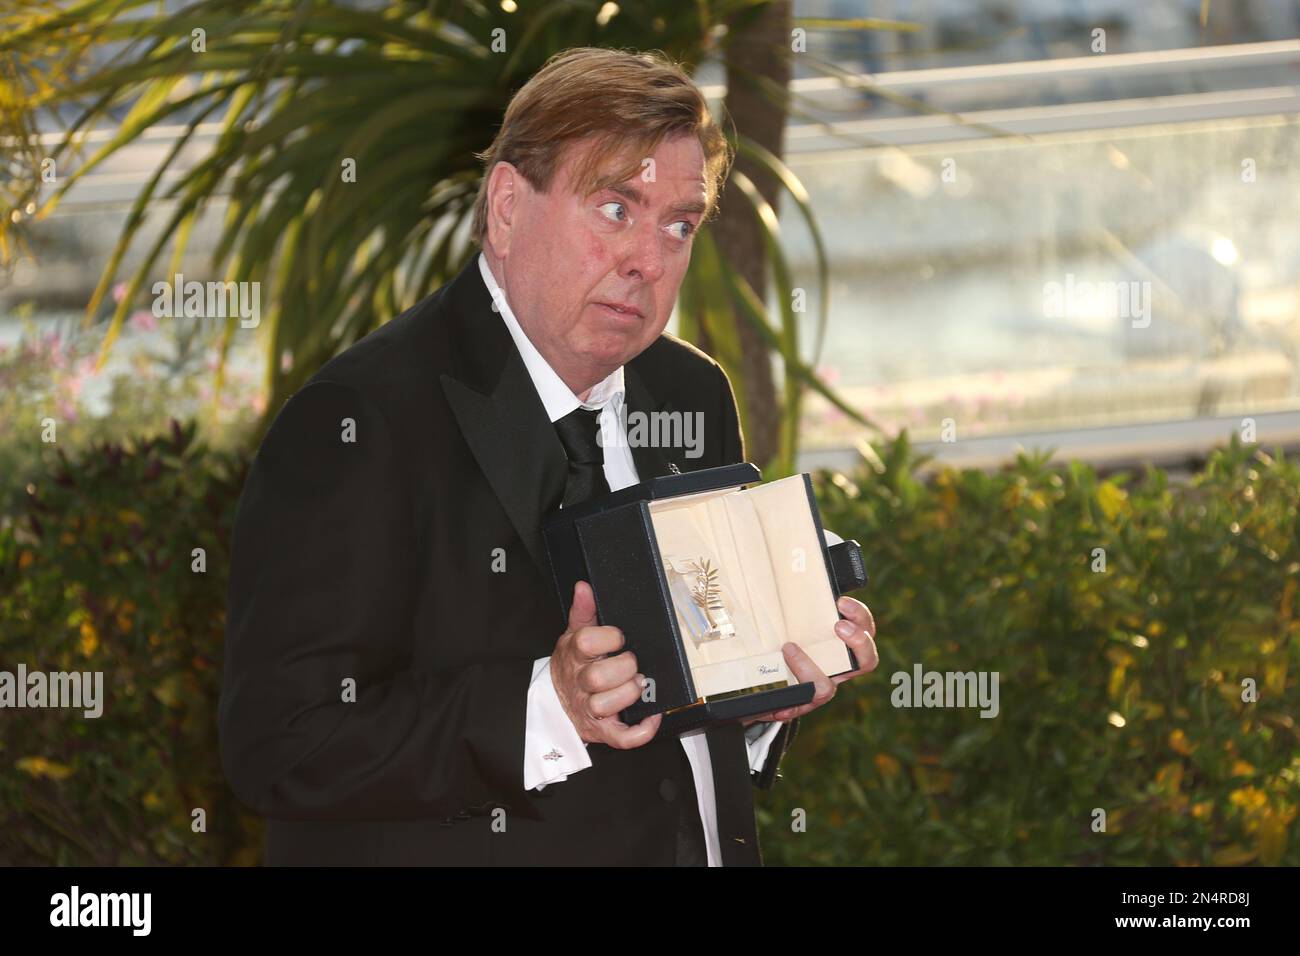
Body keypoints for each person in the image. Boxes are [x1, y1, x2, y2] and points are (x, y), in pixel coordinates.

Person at [218, 46, 879, 866]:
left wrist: (760, 695)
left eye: (679, 224)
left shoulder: (691, 393)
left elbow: (688, 730)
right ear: (505, 208)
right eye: (614, 210)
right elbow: (281, 746)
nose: (649, 260)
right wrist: (551, 709)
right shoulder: (358, 421)